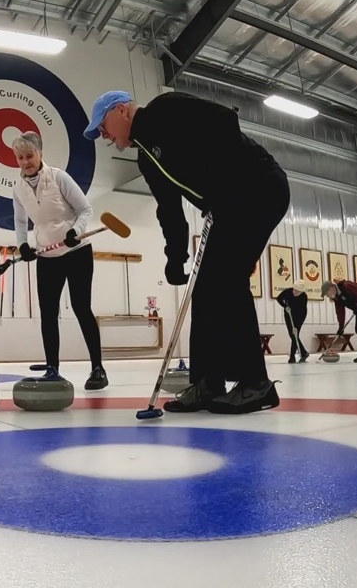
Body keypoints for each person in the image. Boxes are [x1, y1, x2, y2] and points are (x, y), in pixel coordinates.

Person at [84, 90, 289, 414]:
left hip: (259, 187)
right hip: (229, 205)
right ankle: (209, 382)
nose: (104, 135)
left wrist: (225, 187)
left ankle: (256, 383)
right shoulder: (146, 159)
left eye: (103, 125)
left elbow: (225, 121)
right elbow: (169, 209)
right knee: (206, 286)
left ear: (122, 110)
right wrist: (175, 255)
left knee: (227, 279)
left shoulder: (167, 109)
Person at [11, 131, 108, 390]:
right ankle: (52, 369)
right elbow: (21, 222)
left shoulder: (59, 177)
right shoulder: (18, 188)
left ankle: (98, 368)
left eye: (29, 156)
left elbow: (85, 209)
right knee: (48, 313)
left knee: (81, 307)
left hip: (76, 252)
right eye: (20, 157)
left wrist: (75, 232)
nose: (25, 162)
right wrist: (23, 244)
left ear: (40, 153)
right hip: (47, 255)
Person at [322, 279, 357, 362]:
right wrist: (341, 327)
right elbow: (340, 313)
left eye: (326, 294)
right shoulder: (337, 299)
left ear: (331, 288)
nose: (327, 296)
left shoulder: (346, 286)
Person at [276, 282, 309, 363]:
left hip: (300, 316)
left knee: (295, 333)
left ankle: (292, 356)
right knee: (292, 335)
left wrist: (296, 326)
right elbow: (279, 298)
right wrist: (285, 306)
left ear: (301, 292)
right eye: (294, 289)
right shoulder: (288, 291)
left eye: (297, 291)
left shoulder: (304, 297)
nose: (295, 292)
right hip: (288, 314)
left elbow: (301, 311)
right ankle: (304, 352)